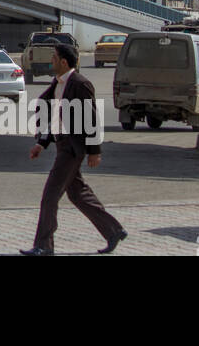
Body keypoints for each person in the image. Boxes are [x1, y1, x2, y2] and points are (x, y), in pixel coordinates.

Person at [21, 43, 126, 256]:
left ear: (63, 61)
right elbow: (54, 117)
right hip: (62, 144)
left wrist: (94, 150)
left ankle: (44, 246)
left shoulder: (80, 84)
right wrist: (41, 143)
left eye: (53, 58)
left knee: (50, 196)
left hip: (72, 147)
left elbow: (91, 118)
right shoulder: (57, 84)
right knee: (78, 194)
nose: (50, 61)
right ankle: (113, 231)